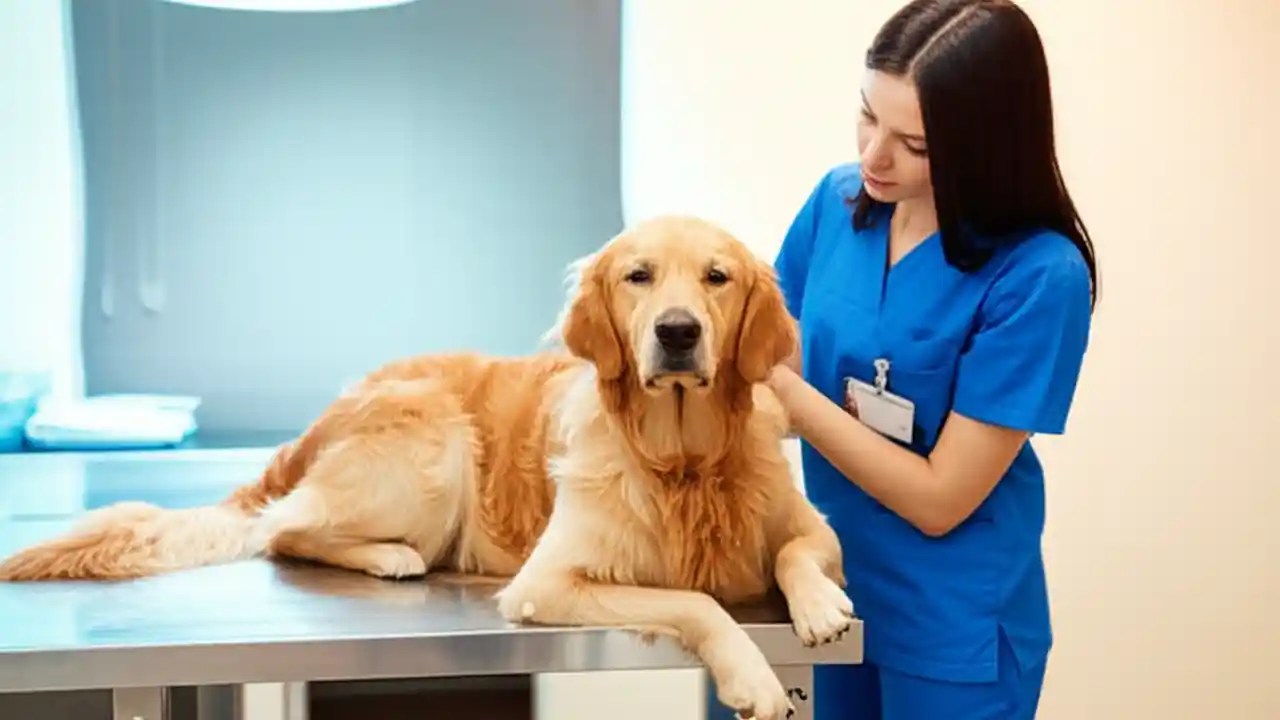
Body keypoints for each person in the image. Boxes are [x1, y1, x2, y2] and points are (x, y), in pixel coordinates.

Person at [706, 0, 1099, 718]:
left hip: (954, 623)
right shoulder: (838, 202)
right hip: (823, 589)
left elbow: (941, 498)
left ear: (987, 143)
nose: (872, 156)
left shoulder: (1040, 275)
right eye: (867, 116)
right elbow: (765, 360)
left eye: (914, 144)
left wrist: (785, 391)